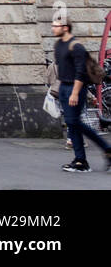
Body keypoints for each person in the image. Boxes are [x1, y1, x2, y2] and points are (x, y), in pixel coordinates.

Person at [51, 13, 111, 172]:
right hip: (64, 87)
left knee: (74, 123)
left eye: (56, 26)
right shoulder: (58, 45)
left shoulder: (76, 46)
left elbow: (80, 72)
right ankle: (82, 160)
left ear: (65, 28)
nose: (53, 28)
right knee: (72, 124)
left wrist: (75, 93)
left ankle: (90, 156)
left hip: (75, 88)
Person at [45, 56, 73, 149]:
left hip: (56, 93)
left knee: (65, 114)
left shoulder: (51, 66)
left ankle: (72, 138)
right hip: (68, 93)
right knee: (71, 116)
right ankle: (70, 139)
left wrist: (54, 84)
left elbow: (47, 81)